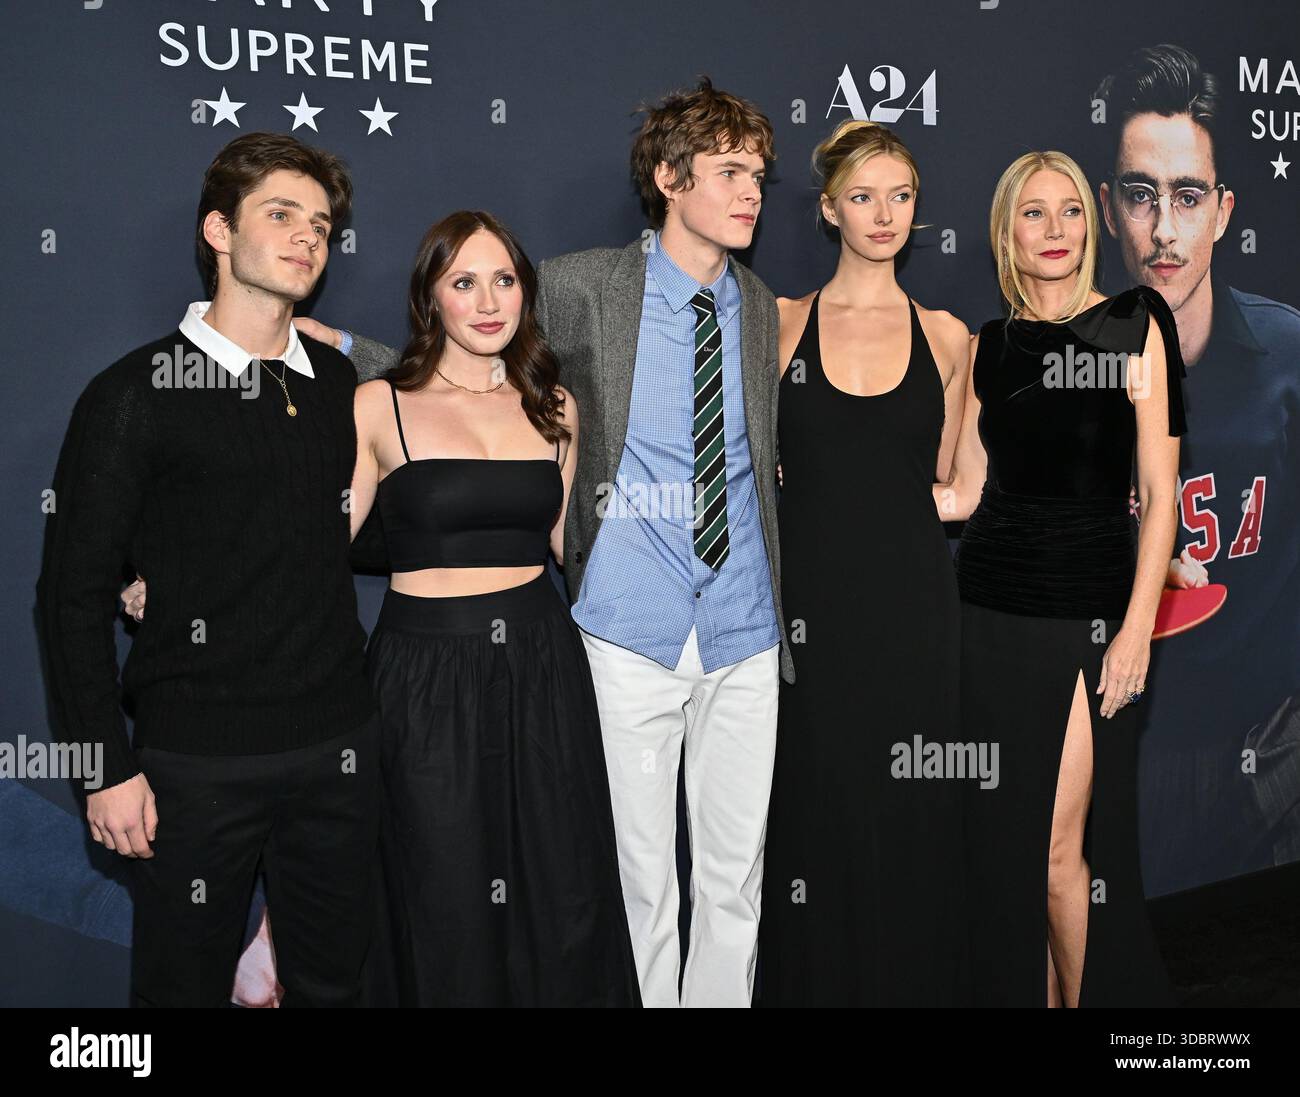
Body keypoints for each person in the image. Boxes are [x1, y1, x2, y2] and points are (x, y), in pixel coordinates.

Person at [304, 77, 793, 1007]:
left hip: (745, 624)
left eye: (759, 176)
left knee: (736, 877)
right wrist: (344, 347)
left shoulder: (759, 302)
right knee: (633, 880)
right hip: (622, 626)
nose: (751, 193)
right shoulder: (583, 284)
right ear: (669, 175)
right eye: (730, 172)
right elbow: (472, 356)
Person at [36, 132, 381, 1007]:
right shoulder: (134, 394)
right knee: (179, 990)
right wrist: (103, 768)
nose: (308, 237)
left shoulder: (340, 383)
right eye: (280, 214)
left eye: (322, 224)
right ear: (218, 232)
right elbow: (72, 596)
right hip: (193, 767)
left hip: (337, 751)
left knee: (336, 986)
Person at [350, 210, 639, 1006]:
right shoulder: (378, 406)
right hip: (421, 678)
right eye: (464, 282)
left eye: (505, 280)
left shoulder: (556, 408)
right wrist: (171, 581)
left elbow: (567, 545)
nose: (488, 301)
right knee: (437, 890)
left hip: (542, 669)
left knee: (560, 883)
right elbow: (310, 544)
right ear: (429, 298)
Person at [938, 150, 1183, 1007]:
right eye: (1033, 213)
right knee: (1007, 854)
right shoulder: (990, 346)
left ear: (1095, 223)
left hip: (1088, 617)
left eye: (1071, 211)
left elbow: (1161, 495)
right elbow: (964, 492)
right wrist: (834, 484)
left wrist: (1136, 628)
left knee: (1055, 855)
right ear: (1007, 230)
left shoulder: (1136, 323)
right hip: (990, 615)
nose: (1054, 230)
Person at [757, 120, 971, 1006]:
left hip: (916, 616)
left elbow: (953, 486)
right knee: (817, 816)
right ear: (829, 209)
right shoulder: (777, 325)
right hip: (808, 618)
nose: (884, 214)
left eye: (901, 196)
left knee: (909, 812)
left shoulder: (950, 337)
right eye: (863, 196)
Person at [1095, 43, 1300, 894]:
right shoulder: (1058, 367)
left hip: (1270, 766)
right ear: (1109, 209)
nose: (1165, 230)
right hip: (1123, 752)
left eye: (1187, 196)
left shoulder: (1287, 353)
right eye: (1141, 196)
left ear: (1222, 211)